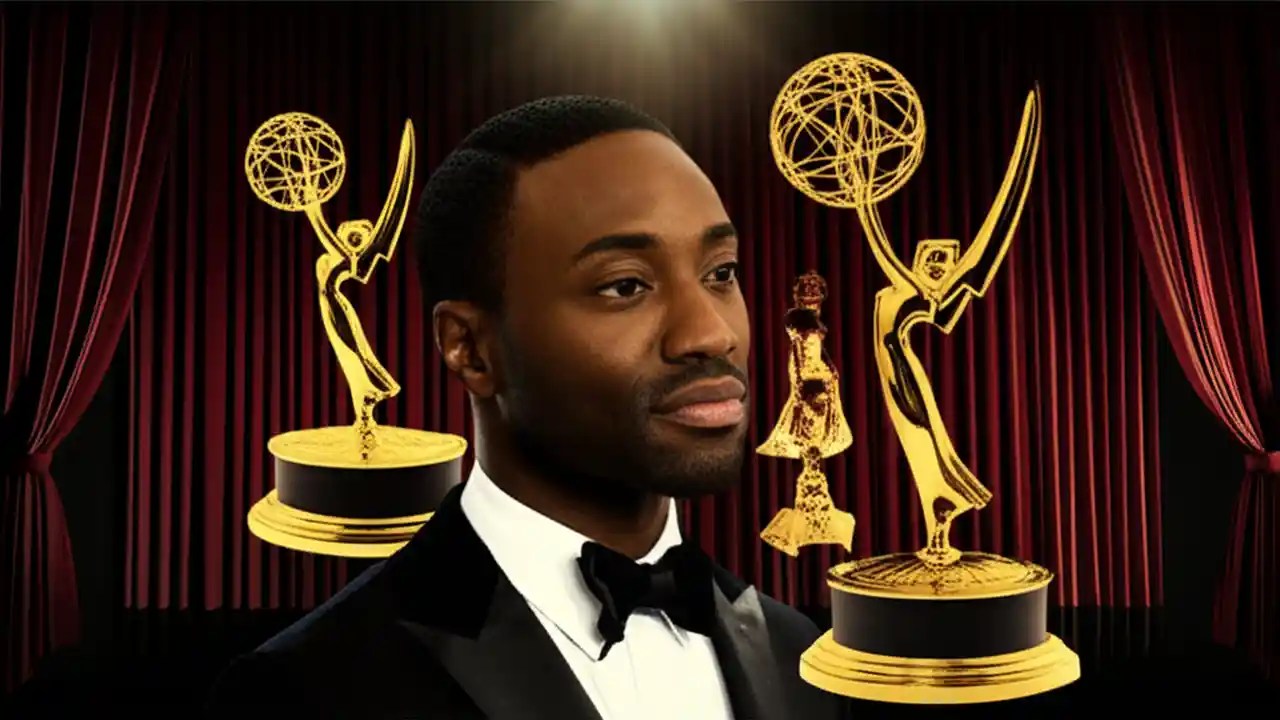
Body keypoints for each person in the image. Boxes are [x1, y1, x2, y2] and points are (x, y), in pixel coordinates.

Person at [204, 95, 849, 720]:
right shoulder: (307, 689)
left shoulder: (798, 654)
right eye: (626, 285)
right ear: (469, 349)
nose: (711, 334)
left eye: (720, 273)